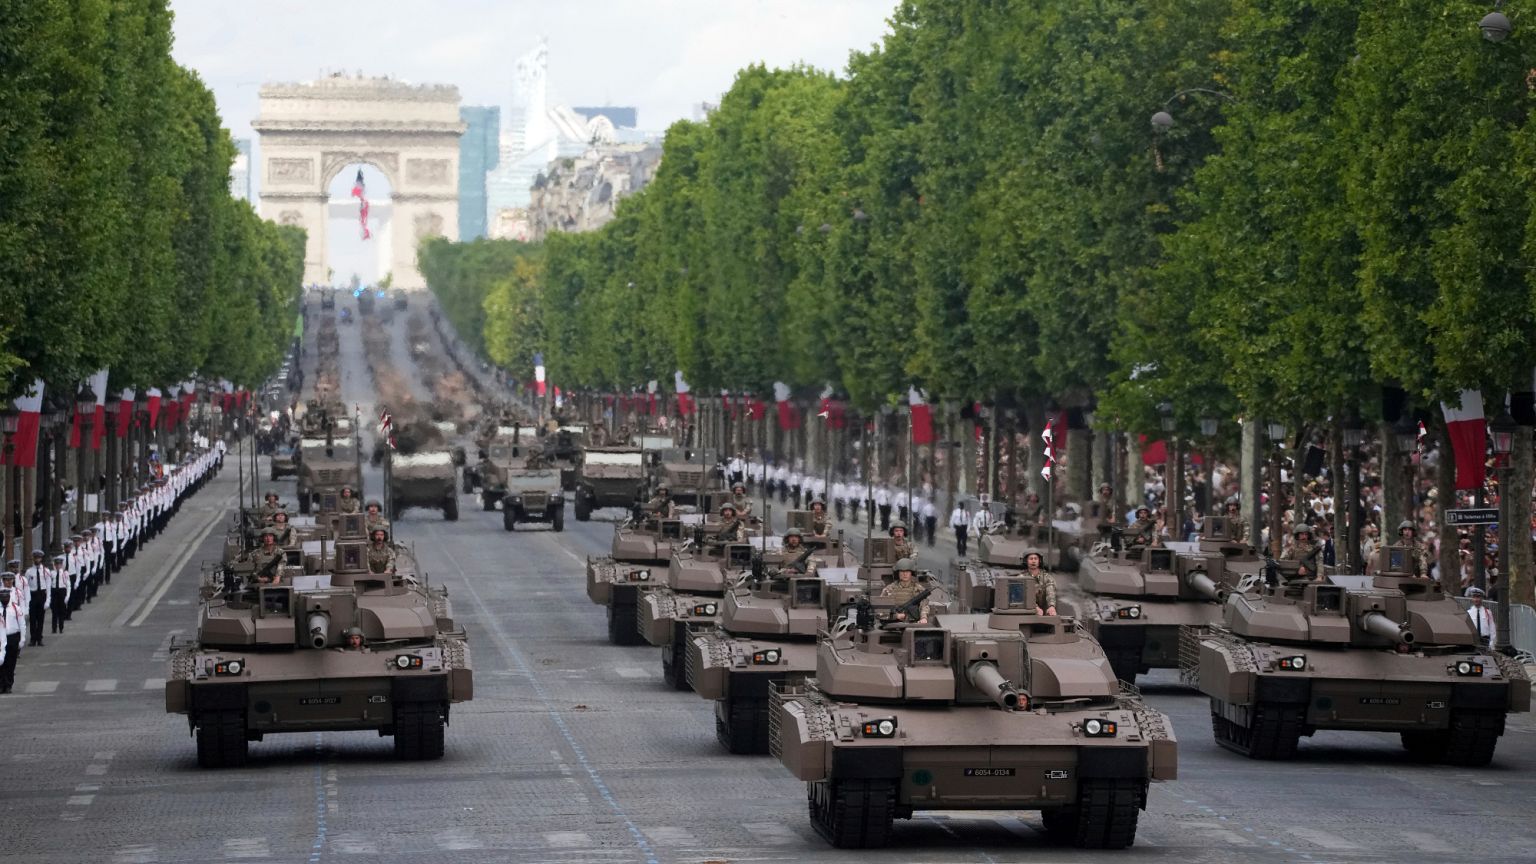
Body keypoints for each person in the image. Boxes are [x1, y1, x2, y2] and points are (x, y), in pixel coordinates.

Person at [881, 558, 929, 624]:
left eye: (907, 571)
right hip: (892, 623)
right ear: (898, 573)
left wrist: (923, 618)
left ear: (911, 573)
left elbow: (924, 605)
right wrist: (896, 616)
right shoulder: (889, 589)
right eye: (902, 571)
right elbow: (882, 608)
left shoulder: (918, 589)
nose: (905, 574)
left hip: (913, 623)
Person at [0, 570, 24, 692]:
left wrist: (22, 639)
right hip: (1, 637)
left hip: (12, 636)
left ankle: (8, 684)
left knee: (11, 662)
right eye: (6, 580)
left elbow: (22, 623)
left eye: (7, 596)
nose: (5, 597)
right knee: (1, 662)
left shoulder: (15, 607)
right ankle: (1, 685)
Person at [24, 551, 49, 646]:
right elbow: (26, 586)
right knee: (33, 618)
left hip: (42, 594)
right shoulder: (29, 572)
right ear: (33, 559)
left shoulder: (46, 571)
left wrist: (48, 600)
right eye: (35, 558)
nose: (37, 559)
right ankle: (33, 639)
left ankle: (39, 638)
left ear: (41, 559)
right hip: (32, 595)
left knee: (41, 618)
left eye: (39, 558)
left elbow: (48, 586)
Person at [48, 555, 69, 635]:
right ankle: (54, 628)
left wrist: (67, 595)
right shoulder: (51, 573)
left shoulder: (65, 573)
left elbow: (68, 585)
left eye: (59, 564)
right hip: (54, 591)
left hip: (62, 591)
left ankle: (61, 627)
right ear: (54, 565)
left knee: (61, 611)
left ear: (61, 565)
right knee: (54, 611)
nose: (58, 566)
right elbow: (49, 584)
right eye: (56, 564)